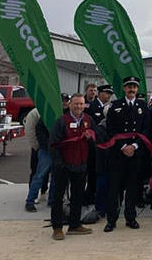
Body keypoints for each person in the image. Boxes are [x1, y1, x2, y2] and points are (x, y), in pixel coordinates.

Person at [104, 76, 148, 232]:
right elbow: (110, 130)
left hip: (135, 154)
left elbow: (146, 129)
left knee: (132, 188)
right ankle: (111, 219)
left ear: (137, 89)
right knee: (114, 188)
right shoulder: (115, 106)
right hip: (118, 154)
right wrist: (123, 146)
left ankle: (131, 218)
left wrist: (135, 146)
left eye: (134, 87)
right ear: (124, 88)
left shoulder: (142, 105)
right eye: (129, 86)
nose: (132, 89)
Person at [49, 93, 94, 240]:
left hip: (80, 165)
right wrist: (59, 163)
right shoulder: (61, 121)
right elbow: (54, 144)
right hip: (63, 166)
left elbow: (95, 139)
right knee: (58, 197)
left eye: (81, 104)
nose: (79, 107)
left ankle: (75, 225)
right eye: (76, 104)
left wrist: (91, 138)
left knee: (78, 197)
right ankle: (57, 227)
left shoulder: (88, 120)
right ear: (70, 104)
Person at [84, 84, 113, 208]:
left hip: (104, 148)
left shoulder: (109, 107)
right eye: (107, 93)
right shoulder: (91, 107)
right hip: (93, 147)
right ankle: (89, 197)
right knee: (92, 174)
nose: (109, 96)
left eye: (110, 94)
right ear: (100, 93)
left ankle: (97, 197)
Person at [24, 106, 53, 212]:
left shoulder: (65, 114)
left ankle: (52, 201)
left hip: (59, 151)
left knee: (56, 177)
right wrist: (41, 146)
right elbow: (36, 130)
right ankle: (30, 201)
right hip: (46, 150)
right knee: (39, 175)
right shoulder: (44, 114)